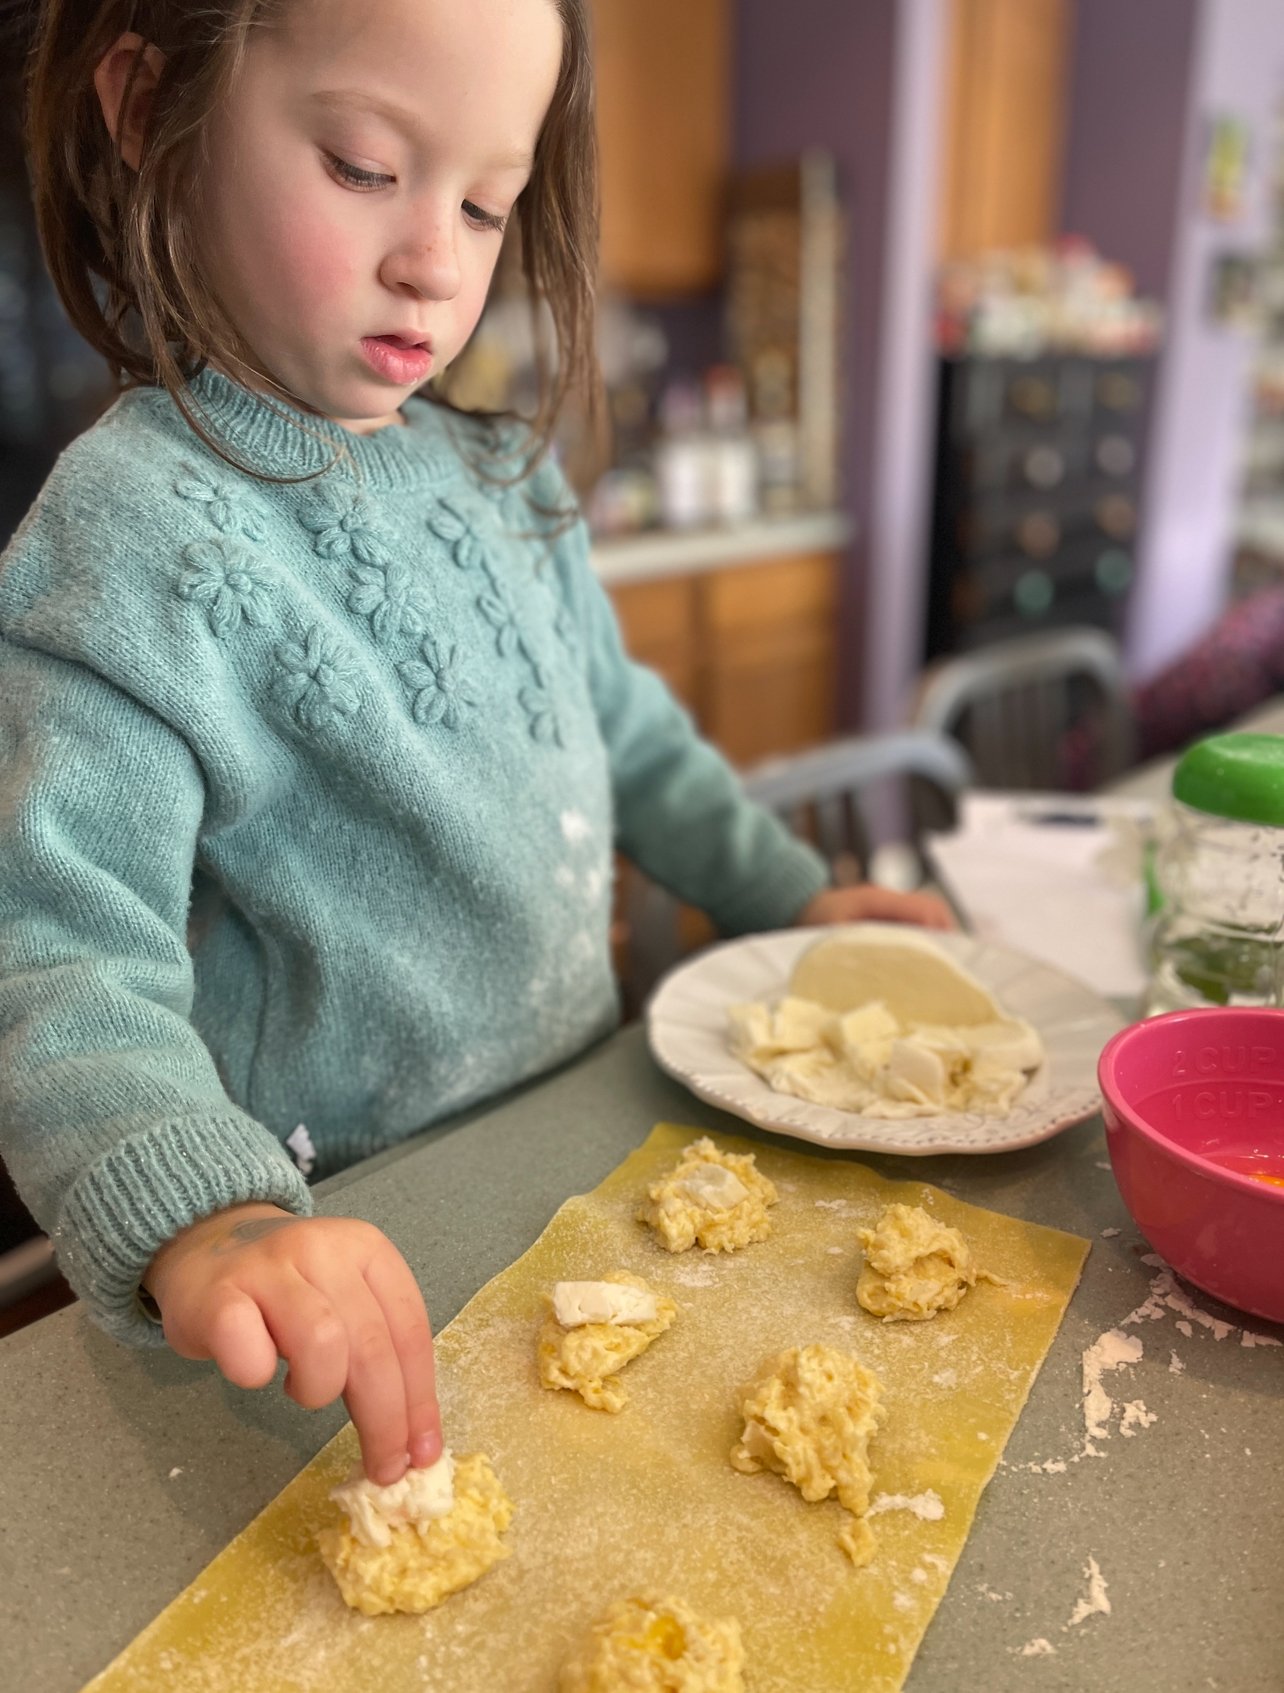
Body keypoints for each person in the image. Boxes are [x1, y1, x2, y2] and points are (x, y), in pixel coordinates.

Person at [1, 0, 950, 1492]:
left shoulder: (506, 477)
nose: (435, 257)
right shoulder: (127, 542)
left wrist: (791, 896)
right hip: (354, 1266)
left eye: (486, 202)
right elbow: (60, 956)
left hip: (588, 1172)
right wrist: (213, 1218)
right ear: (146, 108)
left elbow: (634, 740)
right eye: (366, 165)